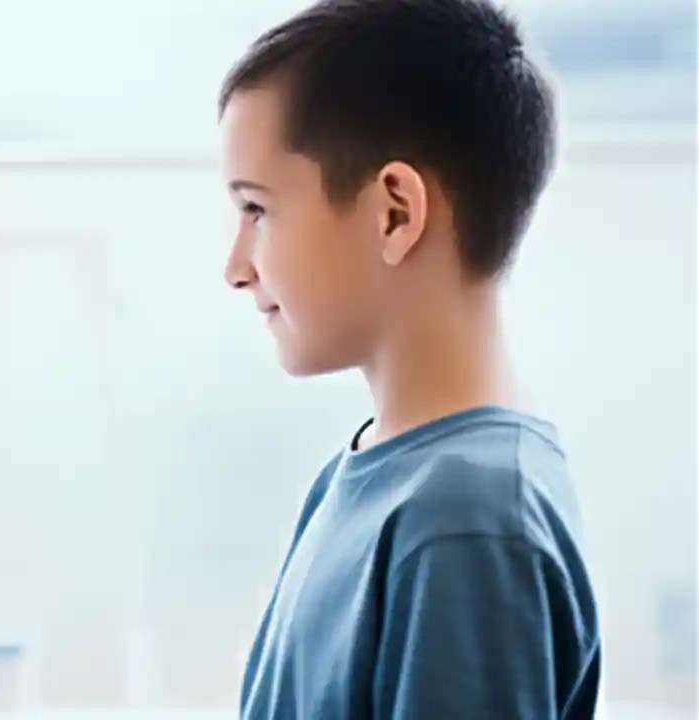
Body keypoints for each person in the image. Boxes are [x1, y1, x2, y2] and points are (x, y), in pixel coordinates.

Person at [218, 0, 600, 717]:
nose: (236, 266)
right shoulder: (367, 474)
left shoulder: (469, 522)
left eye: (257, 210)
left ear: (395, 211)